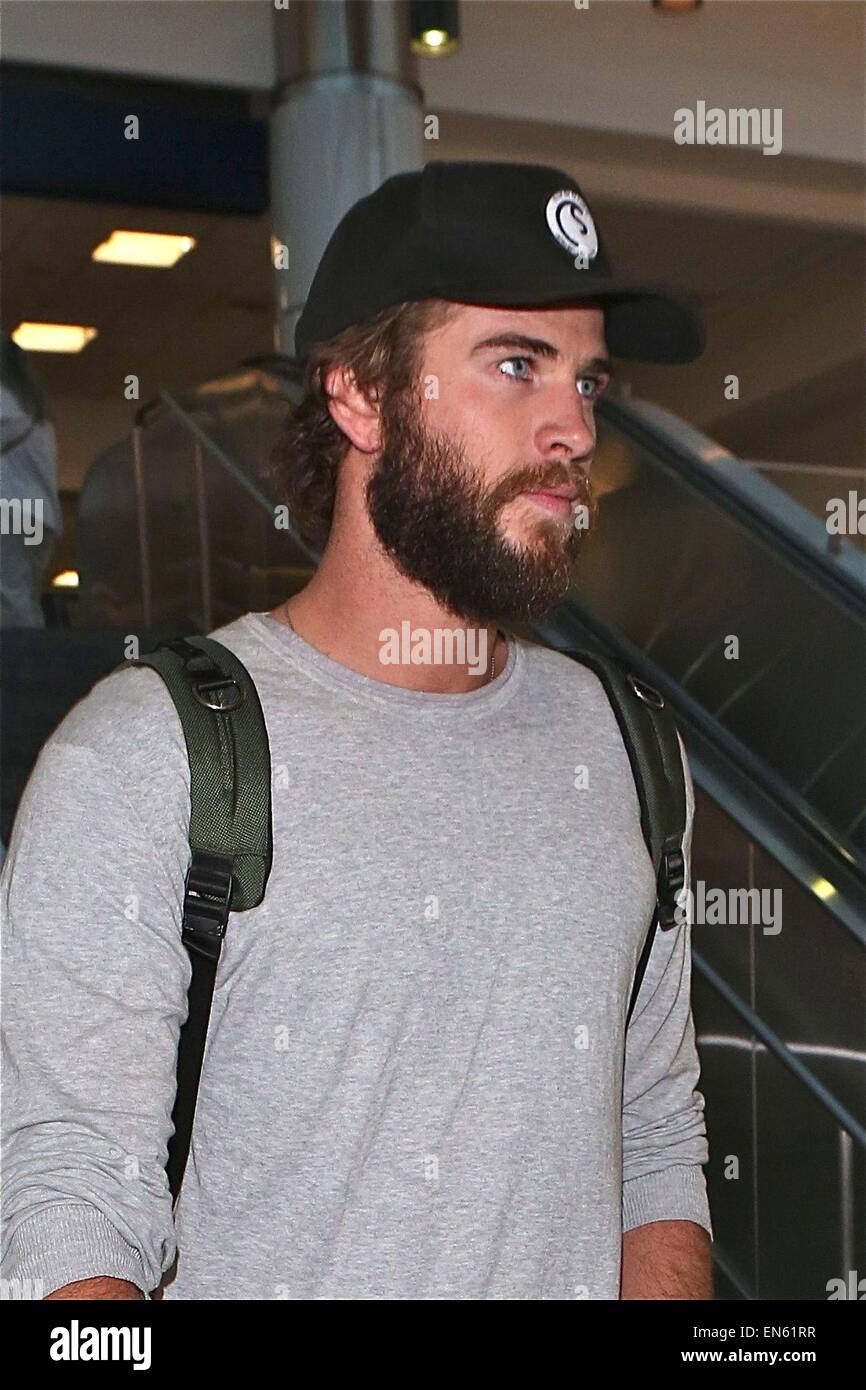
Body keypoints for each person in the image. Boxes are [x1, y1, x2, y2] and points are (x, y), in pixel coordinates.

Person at [1, 161, 712, 1301]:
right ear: (359, 397)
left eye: (587, 379)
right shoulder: (146, 759)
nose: (572, 425)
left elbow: (655, 1124)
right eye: (515, 365)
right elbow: (69, 1205)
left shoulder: (625, 751)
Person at [0, 335, 62, 627]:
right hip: (42, 516)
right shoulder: (38, 414)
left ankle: (18, 664)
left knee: (9, 596)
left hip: (10, 512)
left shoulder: (3, 399)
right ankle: (32, 660)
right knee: (23, 596)